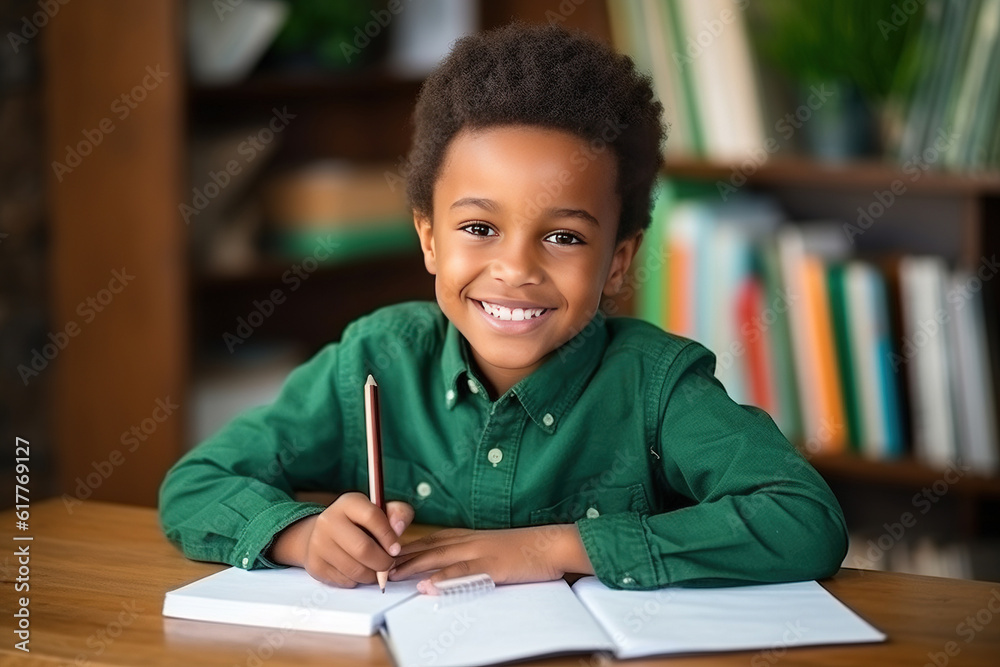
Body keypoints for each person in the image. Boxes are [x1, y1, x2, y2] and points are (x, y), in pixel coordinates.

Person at [159, 22, 847, 592]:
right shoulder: (374, 360)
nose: (515, 268)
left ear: (618, 261)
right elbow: (194, 484)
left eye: (563, 236)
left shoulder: (655, 387)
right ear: (429, 237)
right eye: (479, 228)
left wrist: (553, 547)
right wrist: (301, 536)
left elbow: (804, 520)